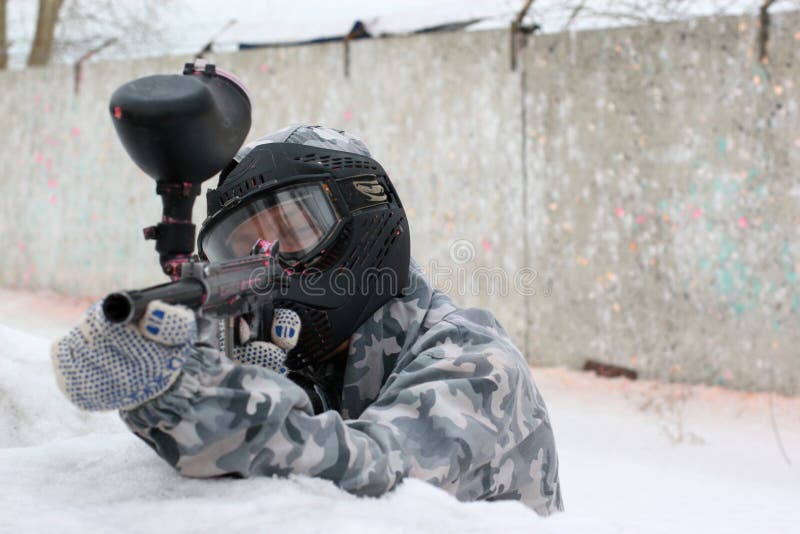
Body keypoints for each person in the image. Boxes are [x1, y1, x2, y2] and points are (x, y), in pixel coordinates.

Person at [52, 125, 564, 515]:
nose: (270, 264)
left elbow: (374, 476)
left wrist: (208, 402)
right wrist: (153, 376)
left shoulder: (475, 363)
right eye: (242, 251)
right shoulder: (285, 346)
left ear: (365, 207)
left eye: (294, 229)